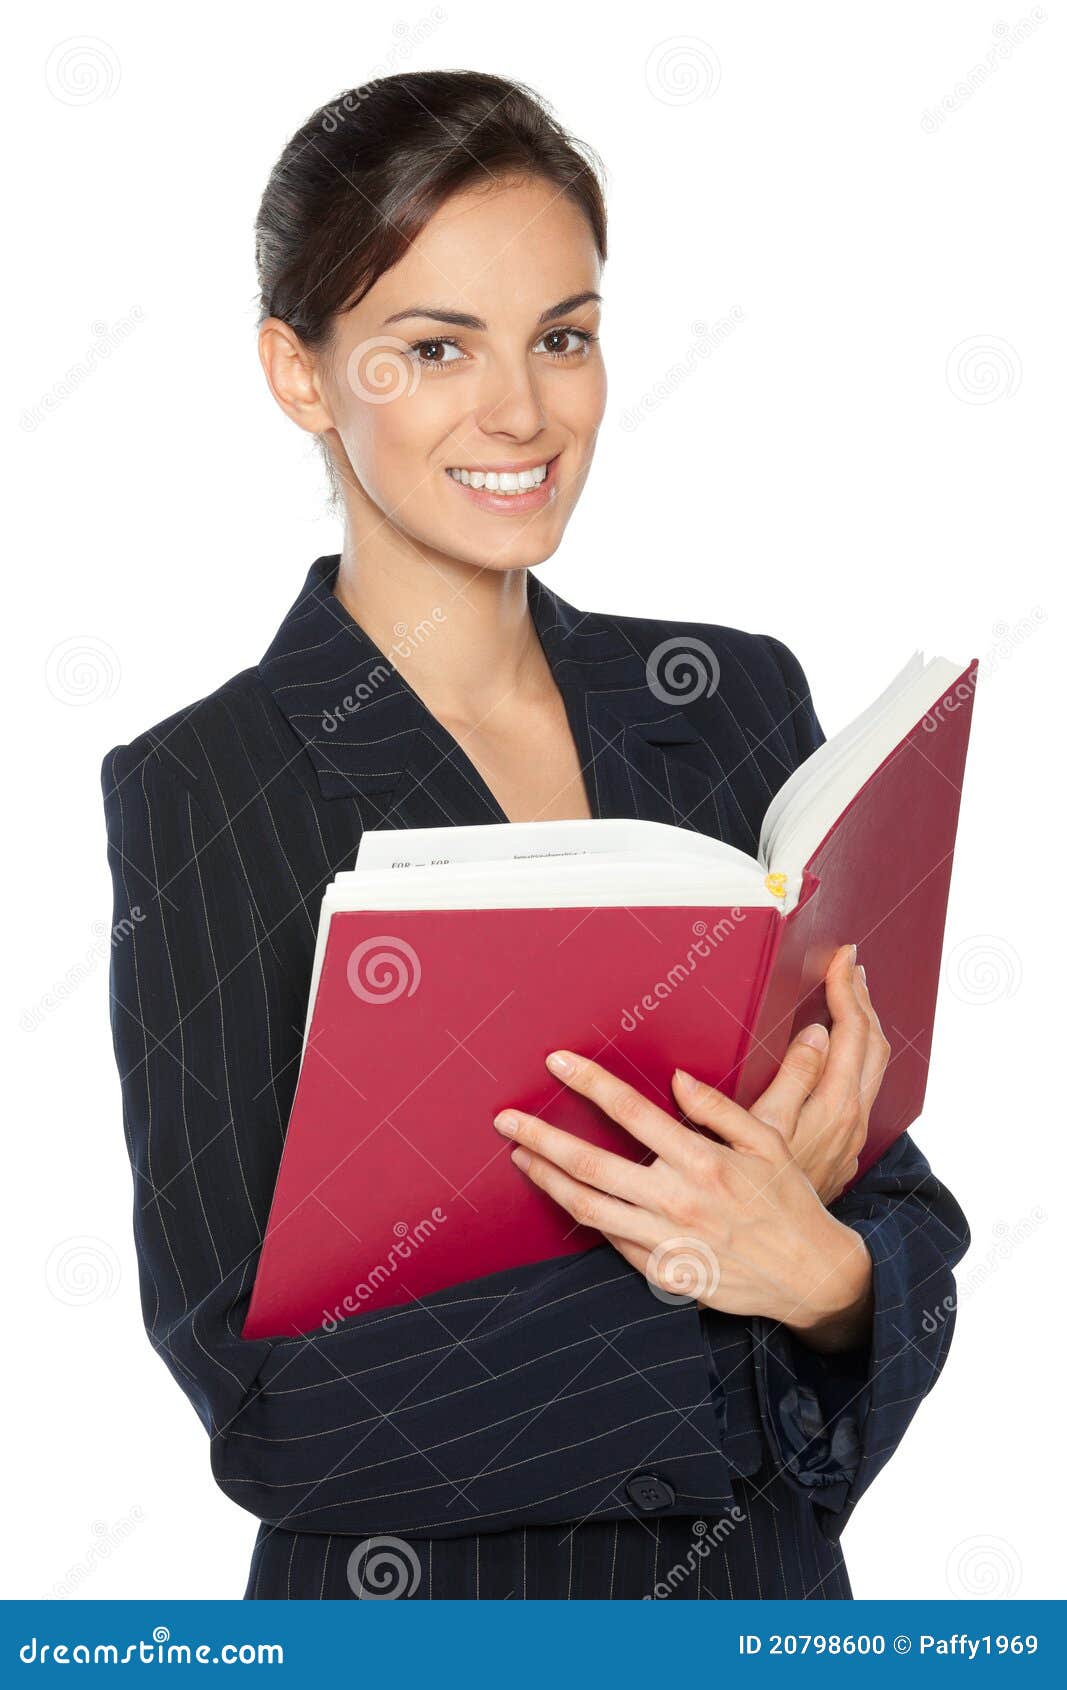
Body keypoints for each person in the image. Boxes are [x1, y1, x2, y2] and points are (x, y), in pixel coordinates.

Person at [100, 69, 969, 1601]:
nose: (523, 412)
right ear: (300, 374)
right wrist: (716, 1263)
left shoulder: (732, 699)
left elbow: (893, 1203)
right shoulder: (211, 782)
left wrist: (831, 1274)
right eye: (436, 347)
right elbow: (265, 1396)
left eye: (563, 336)